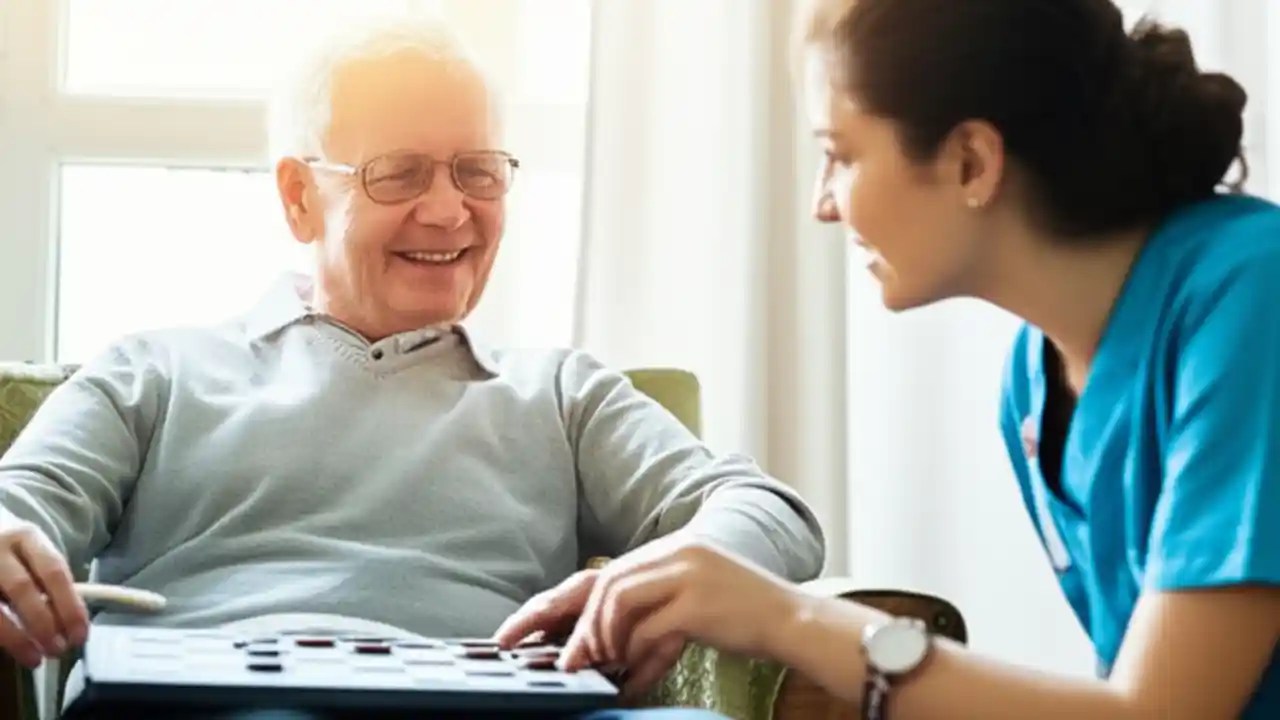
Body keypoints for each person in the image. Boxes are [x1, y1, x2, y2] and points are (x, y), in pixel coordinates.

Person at [0, 15, 822, 720]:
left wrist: (673, 572)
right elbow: (16, 504)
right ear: (298, 197)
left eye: (478, 171)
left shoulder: (561, 393)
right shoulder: (154, 371)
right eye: (399, 172)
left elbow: (769, 512)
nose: (448, 209)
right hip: (216, 701)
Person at [494, 0, 1280, 717]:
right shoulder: (1032, 387)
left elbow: (1163, 712)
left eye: (839, 153)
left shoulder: (1252, 298)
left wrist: (779, 615)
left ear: (972, 160)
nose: (822, 202)